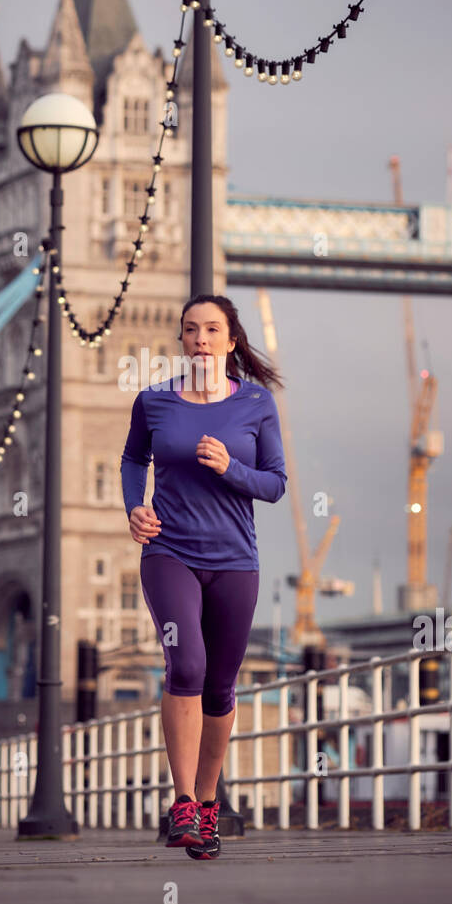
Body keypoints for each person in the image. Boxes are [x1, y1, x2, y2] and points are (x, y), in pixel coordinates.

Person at [119, 293, 287, 859]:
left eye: (212, 330)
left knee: (220, 683)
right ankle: (183, 802)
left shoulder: (257, 404)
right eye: (191, 330)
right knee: (185, 664)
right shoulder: (155, 401)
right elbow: (131, 459)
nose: (201, 339)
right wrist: (133, 508)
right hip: (170, 551)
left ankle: (210, 805)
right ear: (182, 339)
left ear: (231, 340)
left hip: (235, 560)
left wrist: (231, 468)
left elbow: (275, 483)